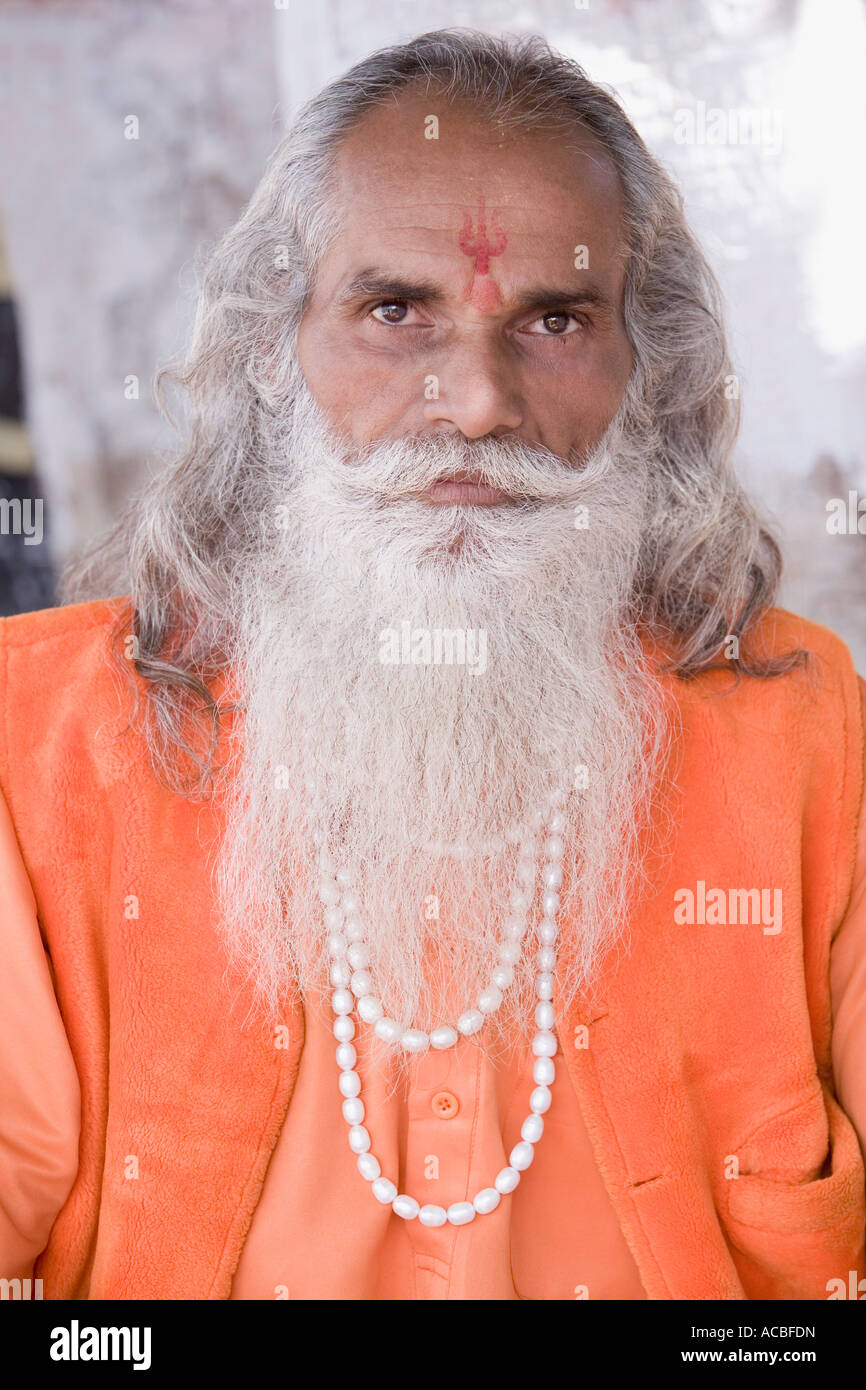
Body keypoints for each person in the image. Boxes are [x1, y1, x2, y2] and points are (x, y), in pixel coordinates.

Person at [1, 28, 864, 1301]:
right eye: (394, 309)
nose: (473, 400)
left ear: (647, 368)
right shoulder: (34, 737)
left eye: (556, 320)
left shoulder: (801, 722)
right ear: (267, 352)